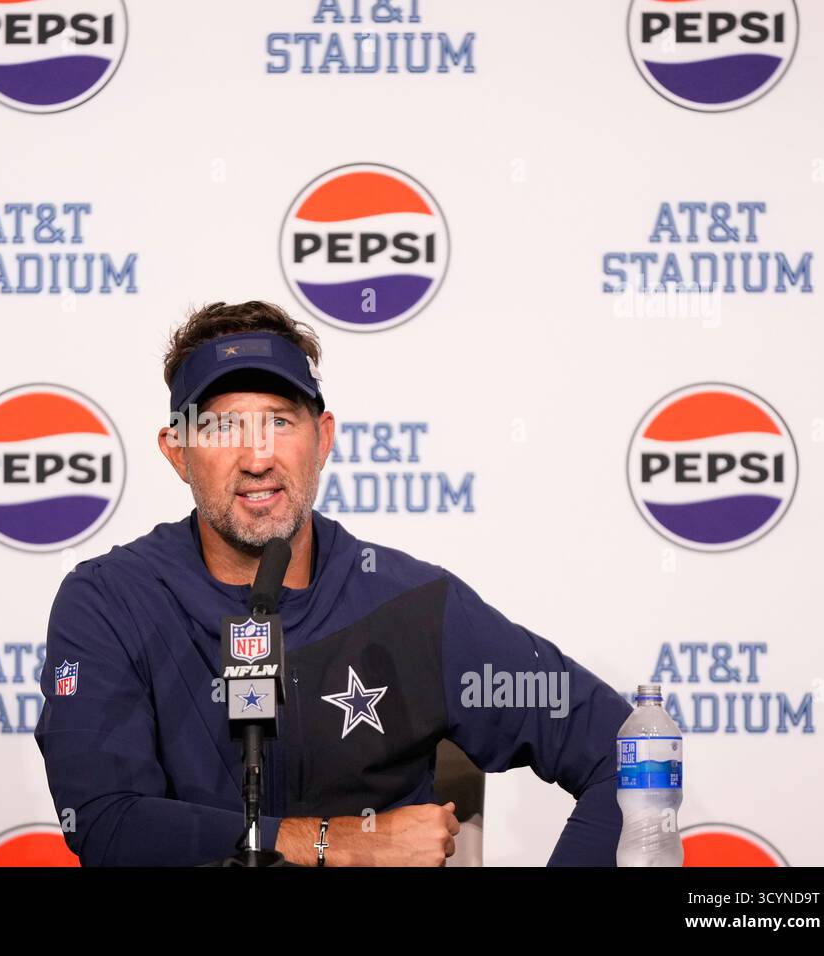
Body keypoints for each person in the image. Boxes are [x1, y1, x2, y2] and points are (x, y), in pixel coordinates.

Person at [34, 301, 631, 866]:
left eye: (279, 421)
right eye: (221, 427)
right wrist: (337, 843)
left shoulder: (412, 604)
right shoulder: (111, 601)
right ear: (177, 452)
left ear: (323, 438)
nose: (257, 457)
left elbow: (628, 750)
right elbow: (106, 822)